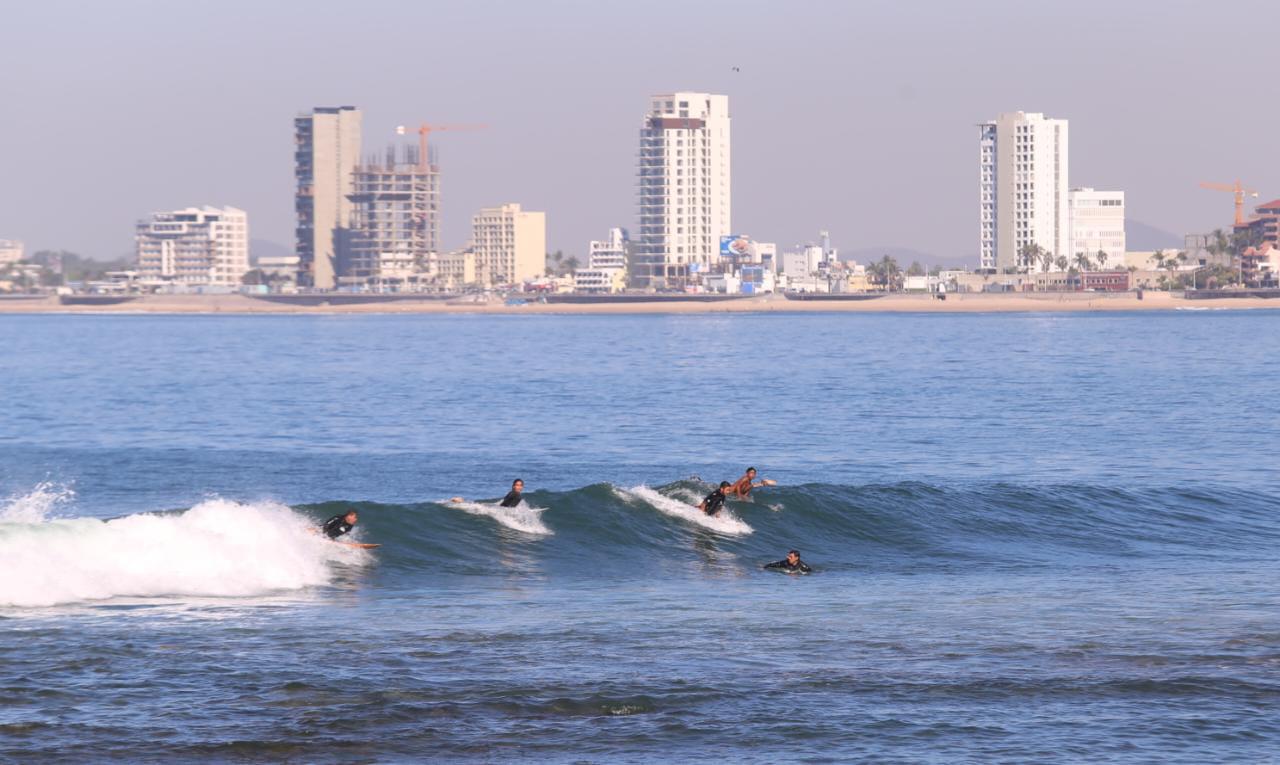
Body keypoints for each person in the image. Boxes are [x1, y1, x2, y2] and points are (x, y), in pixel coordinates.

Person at [449, 479, 526, 507]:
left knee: (477, 505)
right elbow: (509, 508)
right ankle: (461, 501)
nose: (518, 487)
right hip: (498, 509)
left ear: (522, 487)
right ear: (513, 486)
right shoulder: (516, 495)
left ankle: (461, 501)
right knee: (476, 506)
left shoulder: (512, 493)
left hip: (497, 507)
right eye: (516, 485)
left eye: (520, 485)